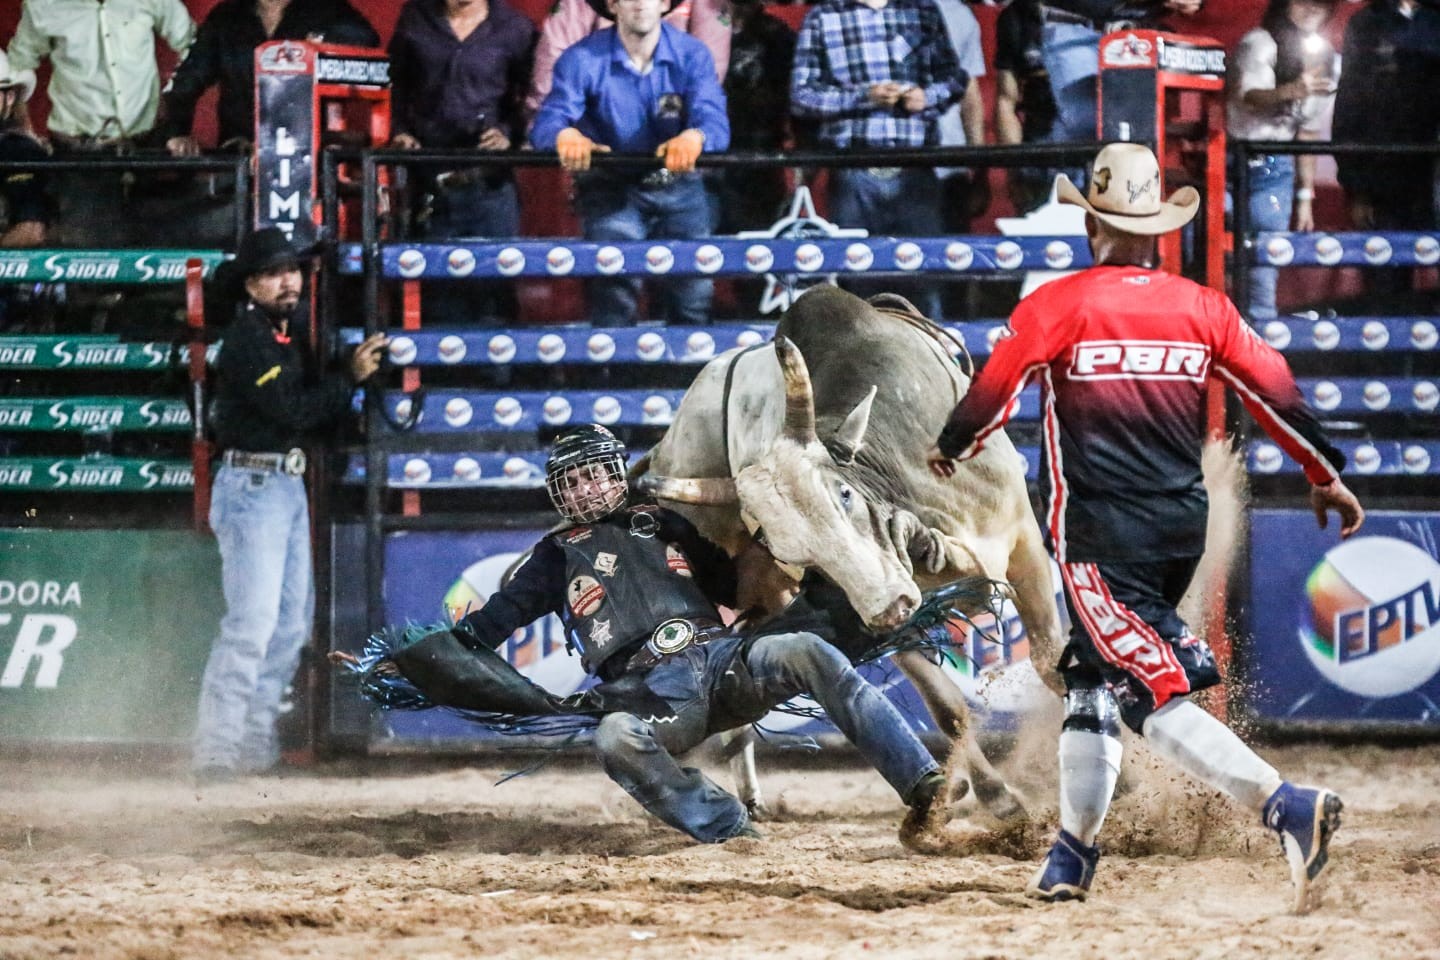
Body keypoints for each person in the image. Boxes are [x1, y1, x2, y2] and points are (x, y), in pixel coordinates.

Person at [926, 143, 1365, 914]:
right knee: (1092, 683)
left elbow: (992, 392)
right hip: (1179, 529)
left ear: (1090, 225)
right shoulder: (1203, 307)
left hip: (1102, 536)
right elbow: (1275, 389)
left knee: (1142, 697)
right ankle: (1071, 855)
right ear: (1159, 230)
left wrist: (951, 446)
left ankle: (1287, 806)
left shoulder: (1058, 306)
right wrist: (1323, 470)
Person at [424, 424, 951, 842]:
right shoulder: (552, 555)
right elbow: (493, 622)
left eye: (594, 475)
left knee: (808, 649)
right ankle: (728, 826)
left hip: (723, 660)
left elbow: (732, 587)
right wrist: (419, 660)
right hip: (651, 692)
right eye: (573, 481)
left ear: (616, 474)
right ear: (559, 493)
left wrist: (773, 543)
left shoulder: (666, 522)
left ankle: (923, 781)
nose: (586, 488)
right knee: (614, 737)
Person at [194, 228, 388, 784]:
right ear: (251, 285)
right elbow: (292, 411)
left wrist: (341, 382)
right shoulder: (248, 339)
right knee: (255, 623)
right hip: (255, 484)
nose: (288, 282)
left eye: (292, 271)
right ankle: (218, 751)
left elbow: (298, 410)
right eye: (274, 274)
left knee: (287, 625)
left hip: (278, 484)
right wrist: (348, 378)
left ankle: (250, 747)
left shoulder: (278, 335)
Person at [530, 0, 730, 326]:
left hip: (679, 187)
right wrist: (564, 136)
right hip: (609, 188)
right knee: (614, 300)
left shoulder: (693, 55)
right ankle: (619, 361)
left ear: (665, 4)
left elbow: (714, 120)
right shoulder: (580, 58)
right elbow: (548, 120)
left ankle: (689, 360)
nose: (639, 2)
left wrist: (697, 137)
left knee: (693, 299)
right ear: (612, 4)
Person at [789, 0, 969, 320]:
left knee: (925, 278)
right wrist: (864, 96)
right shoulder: (823, 16)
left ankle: (928, 351)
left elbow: (954, 79)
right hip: (853, 169)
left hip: (915, 167)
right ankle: (861, 352)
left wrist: (927, 97)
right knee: (857, 285)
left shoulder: (921, 10)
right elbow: (802, 96)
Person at [388, 0, 537, 326]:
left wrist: (508, 132)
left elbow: (533, 98)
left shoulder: (515, 28)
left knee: (494, 295)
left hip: (489, 183)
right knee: (435, 298)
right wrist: (399, 131)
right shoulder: (416, 18)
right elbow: (393, 83)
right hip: (429, 182)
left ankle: (496, 356)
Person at [6, 0, 195, 245]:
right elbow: (19, 65)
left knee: (154, 249)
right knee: (90, 255)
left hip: (148, 147)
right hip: (79, 154)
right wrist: (25, 130)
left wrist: (170, 96)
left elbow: (193, 44)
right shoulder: (44, 4)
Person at [1227, 0, 1341, 320]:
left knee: (1266, 255)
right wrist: (1291, 90)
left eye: (1320, 5)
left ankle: (1262, 328)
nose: (1311, 10)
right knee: (1217, 248)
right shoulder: (1259, 42)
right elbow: (1249, 96)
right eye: (1303, 2)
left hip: (1277, 164)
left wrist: (1305, 197)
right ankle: (1221, 326)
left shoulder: (1325, 57)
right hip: (1233, 157)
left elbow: (1307, 132)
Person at [162, 0, 380, 156]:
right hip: (238, 159)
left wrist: (313, 46)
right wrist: (175, 133)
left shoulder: (329, 10)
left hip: (310, 159)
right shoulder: (227, 17)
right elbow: (187, 80)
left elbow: (366, 42)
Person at [1333, 0, 1440, 306]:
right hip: (1384, 173)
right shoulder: (1367, 22)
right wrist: (1356, 188)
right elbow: (1349, 104)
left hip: (1431, 169)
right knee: (1385, 282)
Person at [523, 0, 730, 126]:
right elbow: (553, 61)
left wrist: (696, 132)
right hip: (595, 138)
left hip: (676, 134)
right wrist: (557, 128)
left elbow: (710, 72)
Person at [1037, 0, 1201, 148]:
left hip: (1139, 33)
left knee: (1142, 122)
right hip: (1076, 27)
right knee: (1086, 118)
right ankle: (1042, 167)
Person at [993, 0, 1058, 214]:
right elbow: (1006, 100)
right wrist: (1014, 168)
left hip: (1091, 144)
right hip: (1037, 147)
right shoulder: (1015, 17)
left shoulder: (1099, 10)